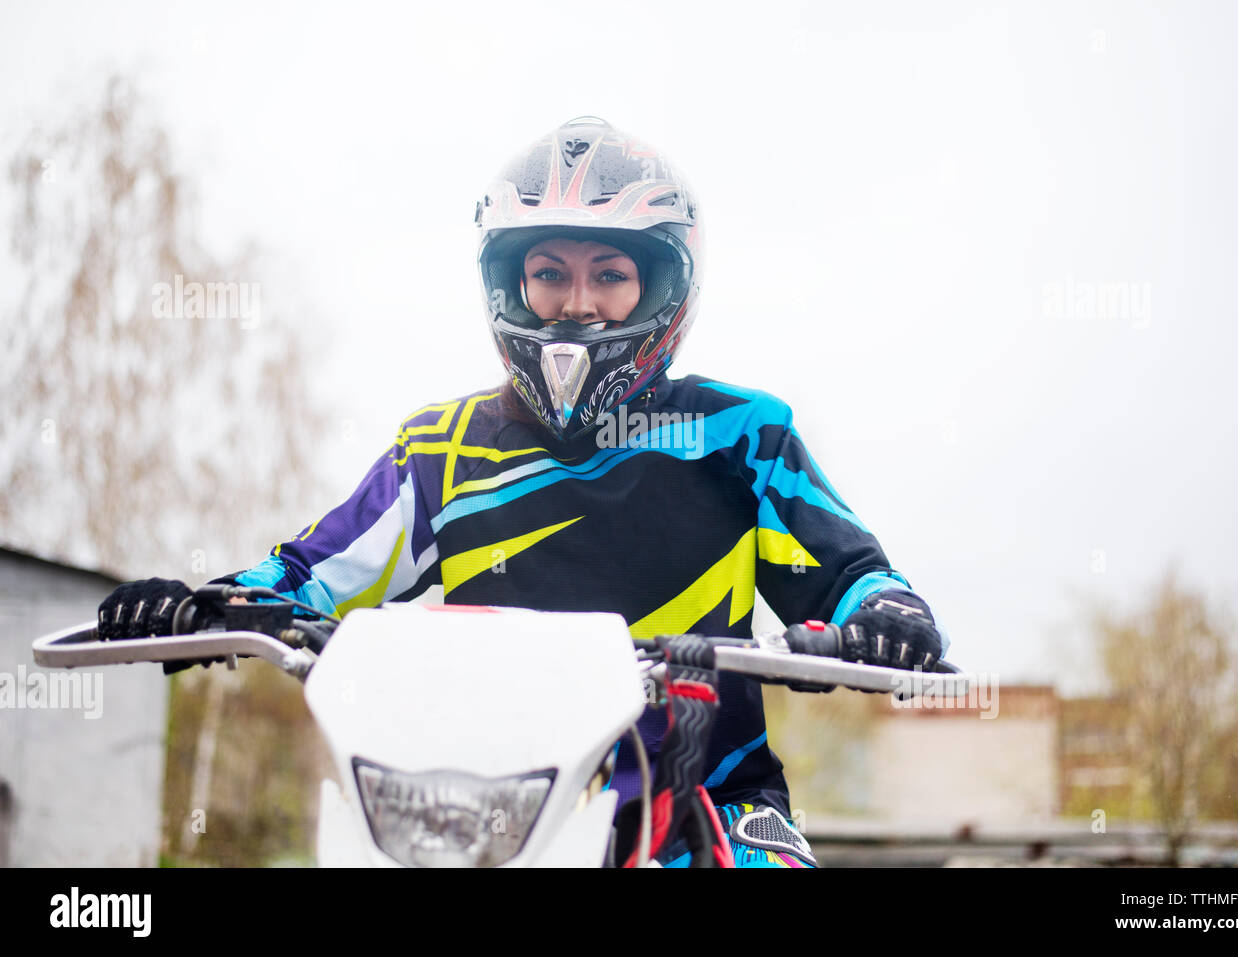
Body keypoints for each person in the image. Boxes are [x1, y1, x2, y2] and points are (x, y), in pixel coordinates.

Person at [98, 116, 950, 868]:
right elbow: (307, 575)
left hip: (706, 804)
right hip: (487, 810)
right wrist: (203, 606)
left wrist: (891, 616)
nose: (576, 303)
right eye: (549, 272)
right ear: (511, 285)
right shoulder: (439, 448)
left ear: (663, 288)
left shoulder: (738, 434)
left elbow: (853, 574)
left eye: (610, 274)